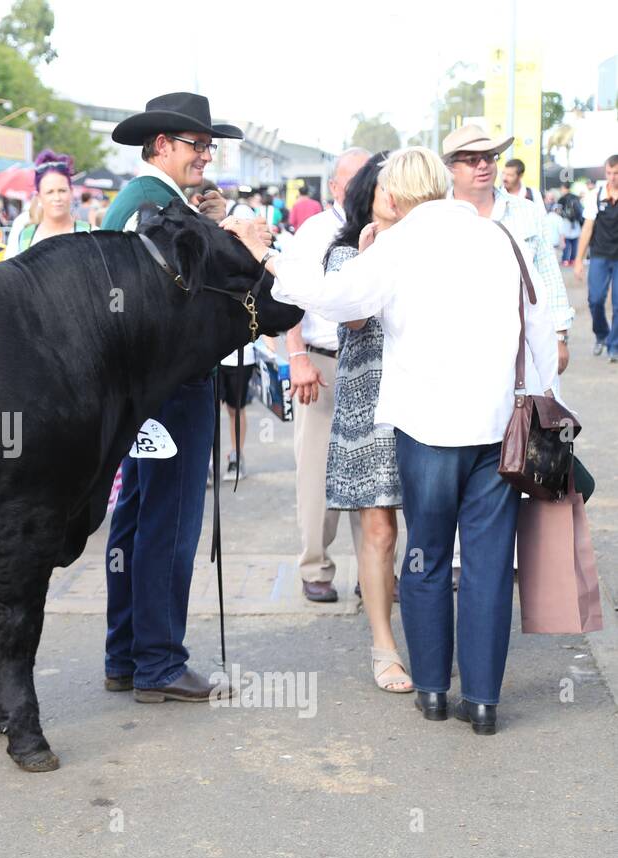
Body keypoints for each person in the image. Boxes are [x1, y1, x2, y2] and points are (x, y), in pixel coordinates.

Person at [227, 146, 560, 735]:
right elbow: (536, 331)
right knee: (485, 565)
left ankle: (432, 689)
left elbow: (331, 298)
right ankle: (483, 701)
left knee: (426, 557)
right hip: (497, 428)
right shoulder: (500, 239)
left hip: (426, 428)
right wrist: (545, 410)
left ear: (399, 196)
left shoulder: (400, 245)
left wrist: (266, 253)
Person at [100, 91, 263, 704]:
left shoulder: (151, 201)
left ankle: (128, 654)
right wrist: (229, 236)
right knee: (167, 522)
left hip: (145, 382)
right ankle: (160, 662)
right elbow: (180, 297)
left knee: (139, 517)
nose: (206, 155)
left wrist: (207, 221)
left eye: (208, 145)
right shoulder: (152, 204)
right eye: (198, 145)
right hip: (172, 382)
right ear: (161, 144)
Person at [318, 150, 410, 692]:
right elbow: (351, 317)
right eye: (384, 188)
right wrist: (368, 258)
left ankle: (426, 636)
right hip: (368, 401)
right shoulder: (345, 254)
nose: (394, 198)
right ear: (366, 196)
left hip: (425, 399)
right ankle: (384, 647)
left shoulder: (427, 250)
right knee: (379, 528)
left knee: (430, 526)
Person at [279, 147, 370, 603]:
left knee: (375, 471)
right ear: (334, 186)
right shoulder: (315, 232)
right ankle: (316, 567)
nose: (361, 187)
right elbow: (289, 299)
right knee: (317, 471)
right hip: (323, 363)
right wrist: (297, 357)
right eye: (352, 180)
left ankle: (376, 572)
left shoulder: (386, 227)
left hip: (374, 364)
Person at [444, 125, 573, 374]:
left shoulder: (527, 212)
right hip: (458, 349)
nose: (483, 165)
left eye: (489, 157)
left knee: (528, 411)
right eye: (472, 160)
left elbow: (548, 274)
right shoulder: (437, 218)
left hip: (524, 346)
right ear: (451, 168)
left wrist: (560, 335)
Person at [573, 154, 618, 359]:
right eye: (609, 173)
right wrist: (578, 261)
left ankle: (614, 346)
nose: (612, 177)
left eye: (616, 173)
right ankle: (602, 334)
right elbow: (587, 229)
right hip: (600, 255)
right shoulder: (596, 195)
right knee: (595, 299)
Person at [6, 149, 92, 257]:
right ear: (39, 197)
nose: (57, 198)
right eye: (49, 192)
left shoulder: (92, 235)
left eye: (62, 190)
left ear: (71, 192)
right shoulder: (23, 238)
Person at [556, 183, 584, 265]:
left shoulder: (561, 199)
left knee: (566, 241)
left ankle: (565, 259)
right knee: (575, 242)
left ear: (564, 188)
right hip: (575, 223)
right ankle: (573, 259)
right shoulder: (575, 197)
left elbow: (558, 211)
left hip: (566, 222)